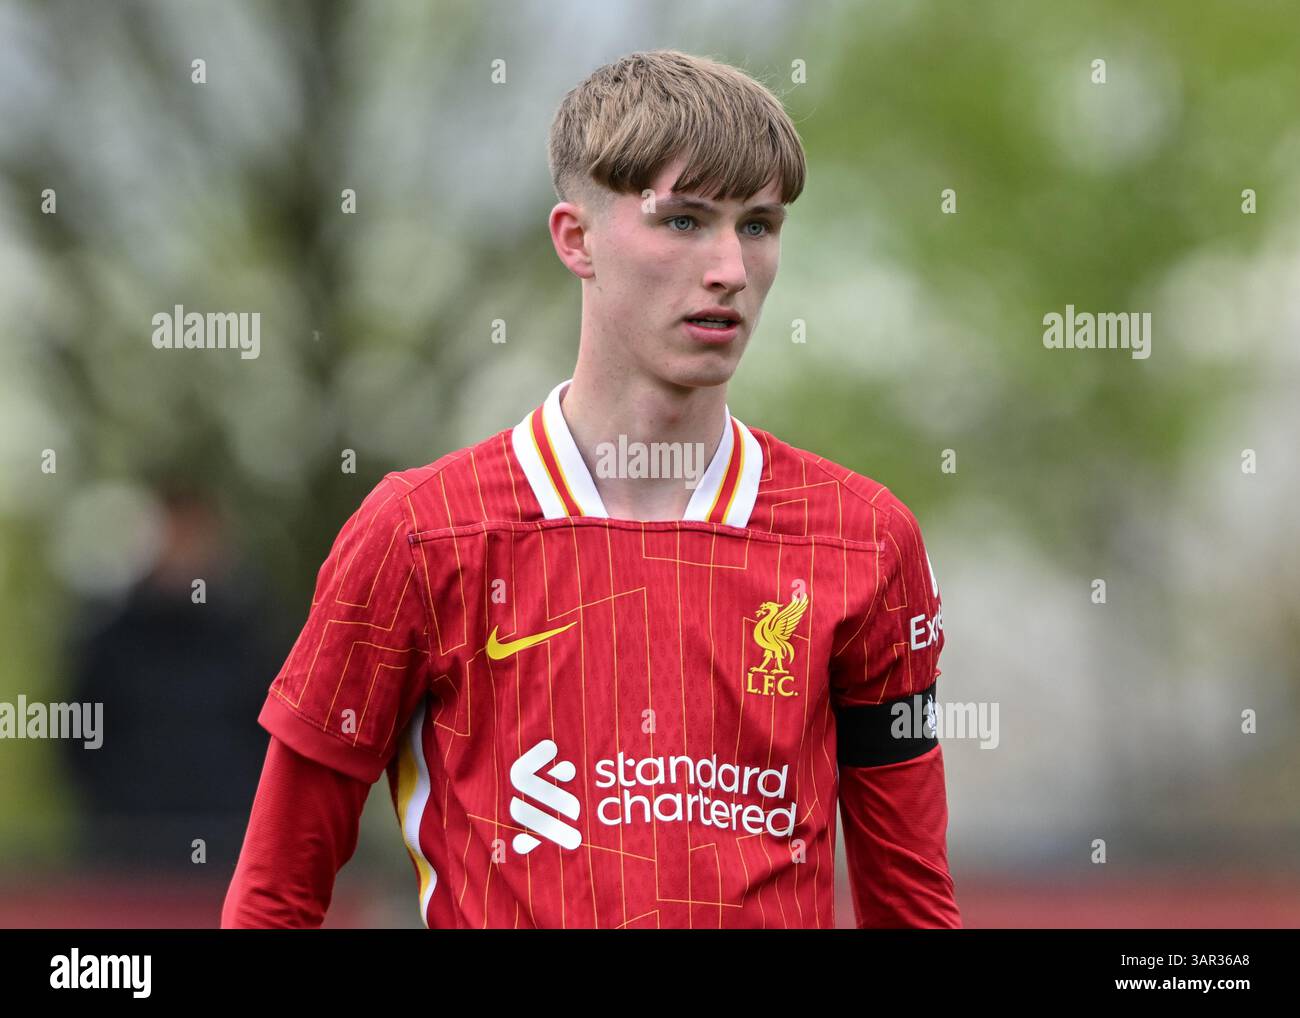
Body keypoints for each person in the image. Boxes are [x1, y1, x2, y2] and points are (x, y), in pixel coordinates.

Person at [222, 49, 959, 929]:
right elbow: (274, 897)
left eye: (758, 226)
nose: (728, 266)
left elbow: (913, 908)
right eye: (684, 222)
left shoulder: (865, 539)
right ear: (576, 239)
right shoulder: (420, 534)